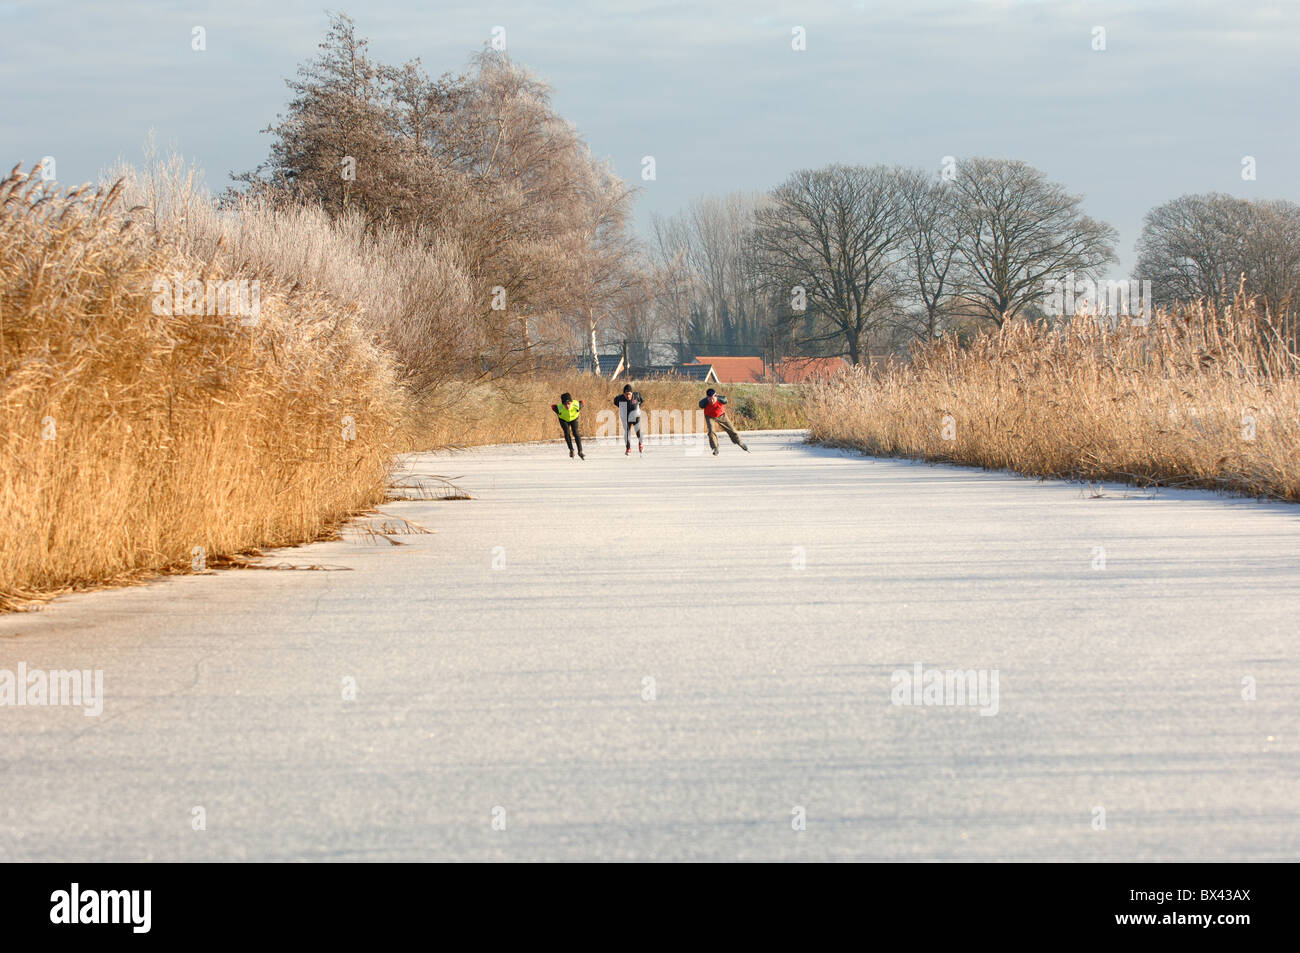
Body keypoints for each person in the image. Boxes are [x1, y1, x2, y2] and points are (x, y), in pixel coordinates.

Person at [699, 388, 749, 456]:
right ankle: (715, 448)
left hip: (721, 415)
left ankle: (739, 442)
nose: (711, 400)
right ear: (707, 398)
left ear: (716, 396)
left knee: (731, 429)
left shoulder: (721, 400)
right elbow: (700, 405)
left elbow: (726, 400)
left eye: (713, 398)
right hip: (709, 416)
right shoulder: (704, 402)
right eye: (709, 399)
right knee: (711, 431)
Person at [613, 384, 646, 455]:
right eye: (626, 394)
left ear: (632, 393)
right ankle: (628, 448)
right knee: (627, 433)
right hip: (625, 418)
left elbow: (642, 400)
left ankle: (640, 443)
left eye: (629, 394)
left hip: (635, 417)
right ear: (623, 394)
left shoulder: (636, 396)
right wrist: (621, 407)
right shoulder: (620, 398)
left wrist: (638, 406)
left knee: (638, 431)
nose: (628, 396)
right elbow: (615, 402)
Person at [551, 393, 585, 459]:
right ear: (562, 404)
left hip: (574, 418)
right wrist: (558, 413)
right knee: (566, 432)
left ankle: (580, 451)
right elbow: (552, 406)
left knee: (575, 432)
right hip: (563, 419)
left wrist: (578, 410)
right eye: (565, 404)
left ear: (571, 402)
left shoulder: (577, 405)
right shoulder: (559, 408)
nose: (567, 406)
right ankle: (571, 450)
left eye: (568, 403)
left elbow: (583, 402)